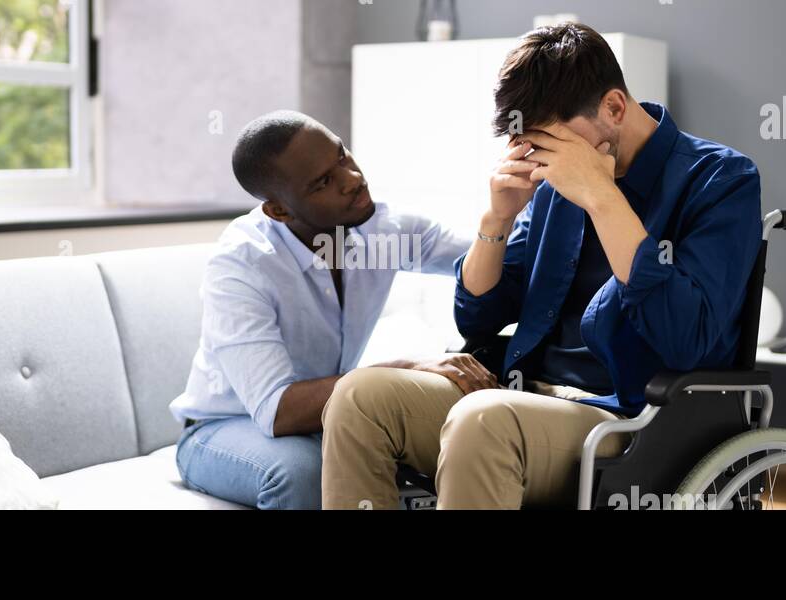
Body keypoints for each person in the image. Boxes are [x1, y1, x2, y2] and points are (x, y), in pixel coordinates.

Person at [321, 23, 763, 510]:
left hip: (632, 418)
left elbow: (686, 338)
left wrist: (602, 198)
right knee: (359, 397)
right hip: (520, 393)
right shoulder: (551, 188)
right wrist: (498, 219)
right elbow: (480, 318)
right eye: (529, 145)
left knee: (484, 420)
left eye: (550, 143)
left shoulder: (720, 178)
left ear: (614, 108)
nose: (539, 159)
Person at [171, 111, 489, 509]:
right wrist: (404, 370)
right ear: (280, 211)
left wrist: (510, 209)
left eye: (341, 156)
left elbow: (491, 259)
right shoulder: (244, 265)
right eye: (323, 182)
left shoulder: (382, 230)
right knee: (303, 474)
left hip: (326, 423)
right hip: (224, 428)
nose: (352, 179)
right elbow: (277, 410)